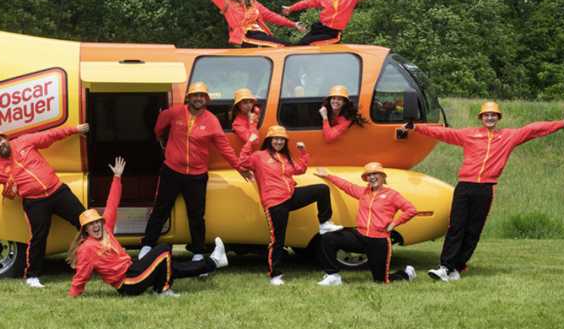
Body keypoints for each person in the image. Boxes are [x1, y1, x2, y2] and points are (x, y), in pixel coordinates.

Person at [398, 102, 564, 282]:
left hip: (485, 189)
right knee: (456, 227)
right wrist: (416, 127)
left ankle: (456, 267)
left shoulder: (508, 136)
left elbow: (533, 129)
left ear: (498, 117)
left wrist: (561, 124)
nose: (490, 117)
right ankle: (445, 267)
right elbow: (443, 133)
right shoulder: (469, 134)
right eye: (486, 115)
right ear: (481, 117)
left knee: (473, 231)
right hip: (464, 186)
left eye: (493, 115)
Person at [68, 157, 229, 297]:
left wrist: (117, 177)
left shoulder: (106, 229)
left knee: (172, 267)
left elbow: (112, 204)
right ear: (85, 230)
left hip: (133, 269)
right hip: (129, 283)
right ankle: (163, 289)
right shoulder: (87, 248)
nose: (95, 226)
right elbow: (81, 275)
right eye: (90, 225)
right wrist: (73, 294)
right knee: (164, 249)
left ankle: (214, 262)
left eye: (96, 222)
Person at [0, 124, 90, 288]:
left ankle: (104, 259)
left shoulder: (23, 141)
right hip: (35, 202)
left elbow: (50, 135)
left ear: (6, 138)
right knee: (38, 239)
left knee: (87, 222)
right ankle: (32, 276)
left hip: (57, 191)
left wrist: (74, 129)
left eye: (0, 140)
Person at [140, 81, 251, 261]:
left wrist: (239, 167)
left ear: (206, 99)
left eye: (202, 96)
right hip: (172, 171)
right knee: (161, 210)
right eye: (195, 95)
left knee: (196, 215)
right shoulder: (175, 113)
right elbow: (159, 125)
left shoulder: (212, 120)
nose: (198, 98)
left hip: (197, 175)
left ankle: (198, 252)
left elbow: (224, 148)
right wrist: (161, 137)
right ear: (188, 98)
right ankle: (147, 245)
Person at [238, 125, 343, 285]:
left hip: (291, 196)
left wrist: (303, 152)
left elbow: (300, 169)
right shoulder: (259, 156)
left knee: (321, 189)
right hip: (275, 202)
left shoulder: (285, 157)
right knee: (278, 239)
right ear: (269, 140)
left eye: (282, 139)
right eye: (276, 139)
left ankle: (324, 223)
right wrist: (249, 142)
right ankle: (275, 275)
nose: (279, 141)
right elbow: (242, 162)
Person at [313, 163, 418, 285]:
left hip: (379, 241)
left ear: (383, 176)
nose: (372, 177)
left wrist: (394, 223)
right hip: (359, 236)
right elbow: (346, 186)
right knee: (329, 237)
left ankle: (407, 273)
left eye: (375, 174)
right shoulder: (363, 192)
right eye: (369, 175)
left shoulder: (392, 195)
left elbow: (411, 210)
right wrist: (328, 176)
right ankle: (333, 276)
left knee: (381, 280)